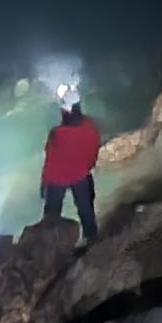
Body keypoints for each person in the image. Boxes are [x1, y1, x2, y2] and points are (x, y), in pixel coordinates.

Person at [39, 97, 102, 241]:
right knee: (86, 210)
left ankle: (48, 244)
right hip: (80, 175)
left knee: (51, 216)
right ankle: (92, 240)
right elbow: (94, 151)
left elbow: (50, 160)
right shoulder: (90, 128)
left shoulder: (57, 134)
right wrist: (88, 166)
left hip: (57, 178)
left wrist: (44, 182)